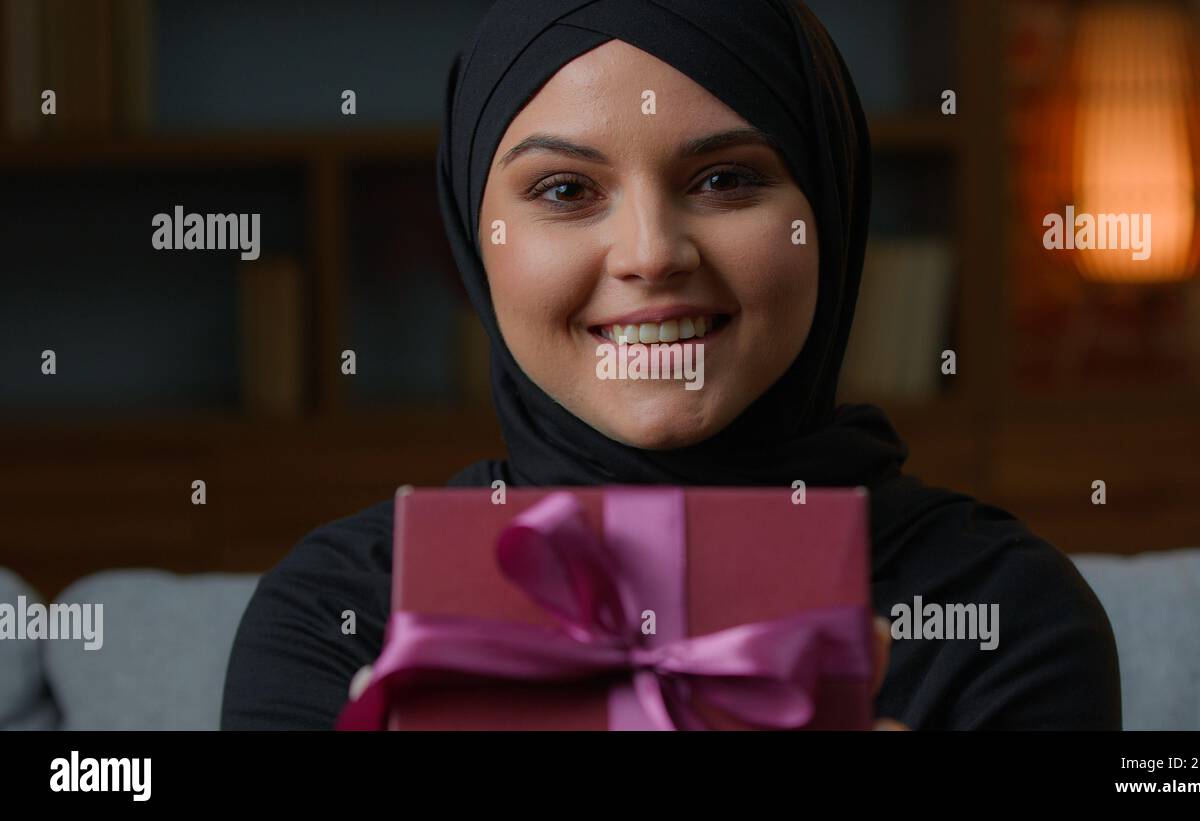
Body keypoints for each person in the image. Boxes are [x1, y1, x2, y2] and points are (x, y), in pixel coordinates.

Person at [221, 0, 1122, 731]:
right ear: (475, 237)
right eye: (567, 191)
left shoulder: (1003, 614)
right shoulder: (342, 614)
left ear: (831, 215)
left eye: (726, 179)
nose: (651, 254)